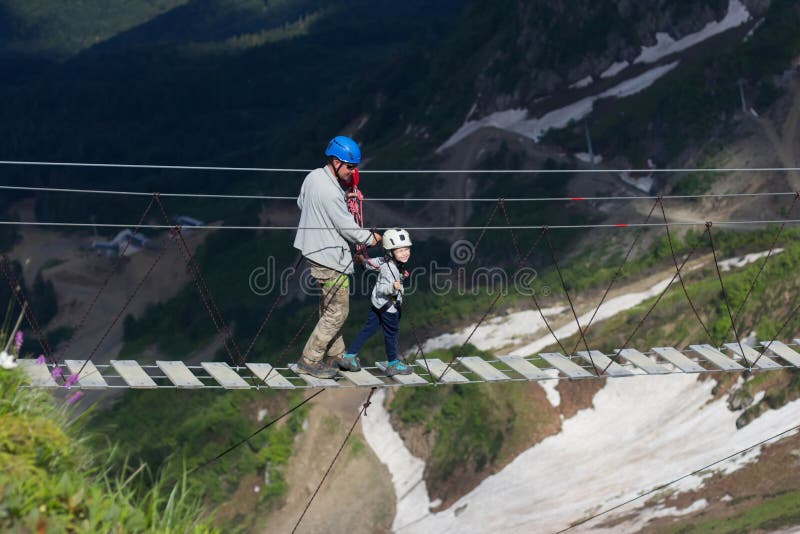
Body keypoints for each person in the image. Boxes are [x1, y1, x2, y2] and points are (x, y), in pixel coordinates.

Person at [293, 136, 381, 379]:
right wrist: (371, 238)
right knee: (337, 312)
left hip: (315, 254)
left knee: (329, 307)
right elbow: (348, 229)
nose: (352, 172)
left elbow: (302, 203)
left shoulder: (313, 177)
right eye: (350, 167)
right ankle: (309, 360)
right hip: (331, 259)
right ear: (335, 162)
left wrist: (338, 204)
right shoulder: (331, 193)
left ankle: (336, 355)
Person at [344, 228, 414, 376]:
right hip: (389, 308)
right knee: (391, 334)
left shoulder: (385, 261)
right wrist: (393, 286)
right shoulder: (391, 270)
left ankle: (349, 356)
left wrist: (363, 261)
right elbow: (382, 288)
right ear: (391, 251)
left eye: (407, 249)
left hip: (378, 305)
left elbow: (373, 263)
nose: (405, 253)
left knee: (368, 329)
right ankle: (393, 364)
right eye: (401, 250)